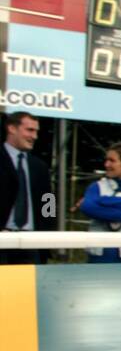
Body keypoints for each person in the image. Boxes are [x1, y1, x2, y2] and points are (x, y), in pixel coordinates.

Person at [0, 111, 55, 265]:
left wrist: (48, 235)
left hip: (31, 243)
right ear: (11, 128)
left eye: (36, 131)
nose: (35, 136)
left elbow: (49, 204)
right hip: (1, 241)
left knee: (28, 289)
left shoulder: (40, 166)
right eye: (30, 130)